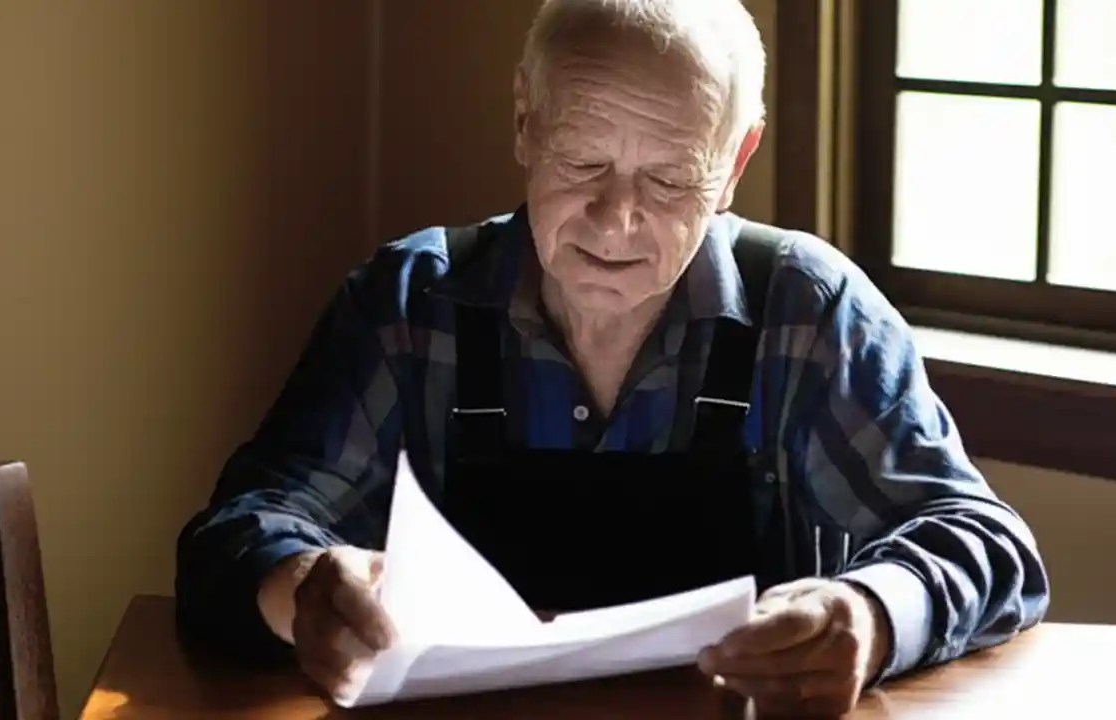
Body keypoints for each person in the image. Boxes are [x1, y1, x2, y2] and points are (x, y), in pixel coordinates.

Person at [175, 0, 1050, 715]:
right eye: (583, 159)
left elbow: (982, 539)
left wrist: (868, 613)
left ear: (737, 159)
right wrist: (303, 587)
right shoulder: (411, 305)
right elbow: (235, 535)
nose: (615, 220)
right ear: (525, 121)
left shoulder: (807, 314)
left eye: (670, 180)